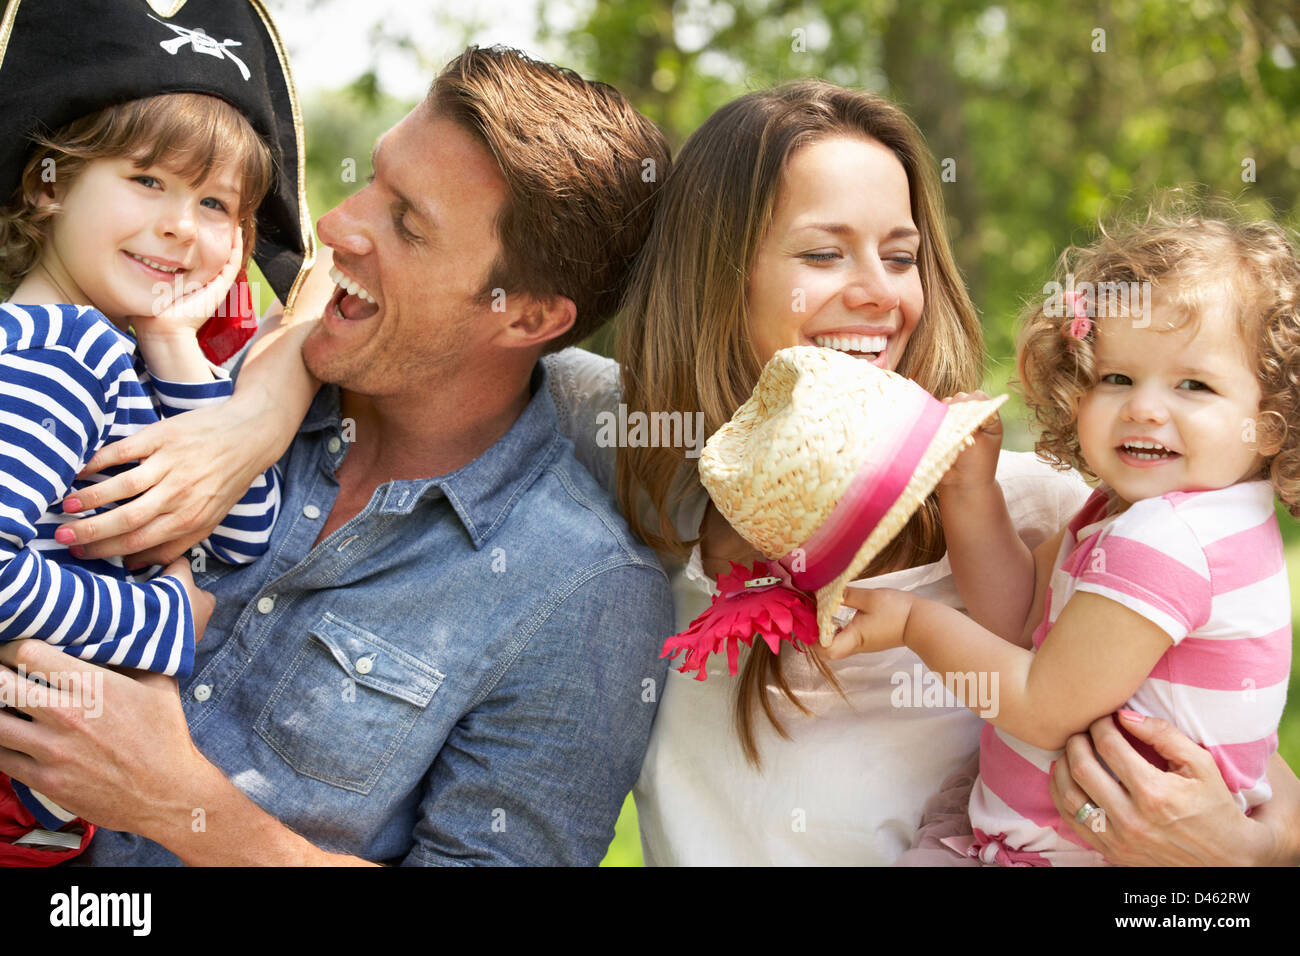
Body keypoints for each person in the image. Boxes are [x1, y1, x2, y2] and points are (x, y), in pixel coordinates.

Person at [42, 80, 1300, 865]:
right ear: (719, 280)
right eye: (821, 252)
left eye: (902, 251)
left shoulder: (1028, 514)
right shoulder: (641, 465)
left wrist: (1247, 858)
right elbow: (432, 351)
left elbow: (1216, 711)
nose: (876, 295)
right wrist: (267, 400)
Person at [0, 42, 674, 865]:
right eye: (374, 182)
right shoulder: (192, 367)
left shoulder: (579, 592)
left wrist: (184, 805)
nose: (335, 225)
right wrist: (260, 403)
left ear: (527, 318)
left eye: (407, 223)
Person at [823, 208, 1299, 865]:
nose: (1144, 407)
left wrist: (914, 623)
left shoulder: (1171, 539)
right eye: (1117, 378)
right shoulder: (1155, 513)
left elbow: (1041, 707)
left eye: (1194, 385)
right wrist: (971, 492)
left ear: (1271, 422)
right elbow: (1017, 619)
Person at [0, 0, 308, 863]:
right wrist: (166, 619)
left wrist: (173, 339)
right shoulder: (51, 353)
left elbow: (239, 530)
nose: (181, 224)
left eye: (215, 203)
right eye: (147, 180)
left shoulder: (117, 350)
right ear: (47, 182)